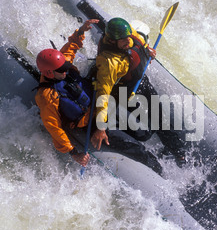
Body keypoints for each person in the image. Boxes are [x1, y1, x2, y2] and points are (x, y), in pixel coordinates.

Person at [35, 19, 99, 167]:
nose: (66, 70)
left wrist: (82, 30)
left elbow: (72, 46)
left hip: (97, 104)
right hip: (86, 122)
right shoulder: (46, 96)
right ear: (50, 72)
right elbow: (53, 127)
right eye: (62, 70)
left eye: (65, 66)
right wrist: (73, 152)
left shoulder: (61, 64)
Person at [91, 17, 156, 151]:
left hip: (133, 84)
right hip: (117, 93)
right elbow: (103, 93)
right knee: (145, 134)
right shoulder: (109, 63)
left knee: (157, 115)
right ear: (112, 41)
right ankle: (110, 127)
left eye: (127, 37)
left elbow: (138, 40)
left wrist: (147, 49)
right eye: (122, 39)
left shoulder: (127, 34)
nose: (128, 41)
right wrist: (100, 126)